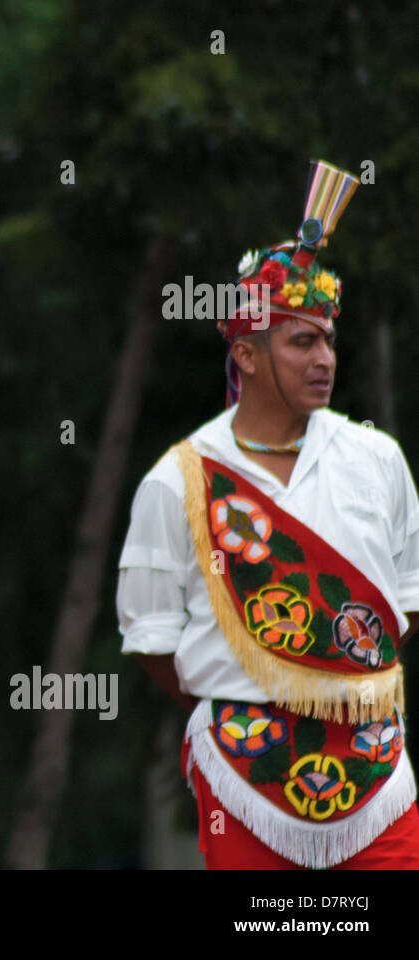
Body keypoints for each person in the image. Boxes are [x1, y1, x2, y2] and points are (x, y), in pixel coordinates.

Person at [117, 160, 419, 869]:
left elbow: (404, 606)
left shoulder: (377, 461)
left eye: (329, 340)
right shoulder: (177, 482)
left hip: (376, 769)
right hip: (246, 769)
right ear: (247, 355)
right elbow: (154, 640)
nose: (325, 359)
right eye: (302, 341)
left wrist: (334, 674)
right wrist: (252, 687)